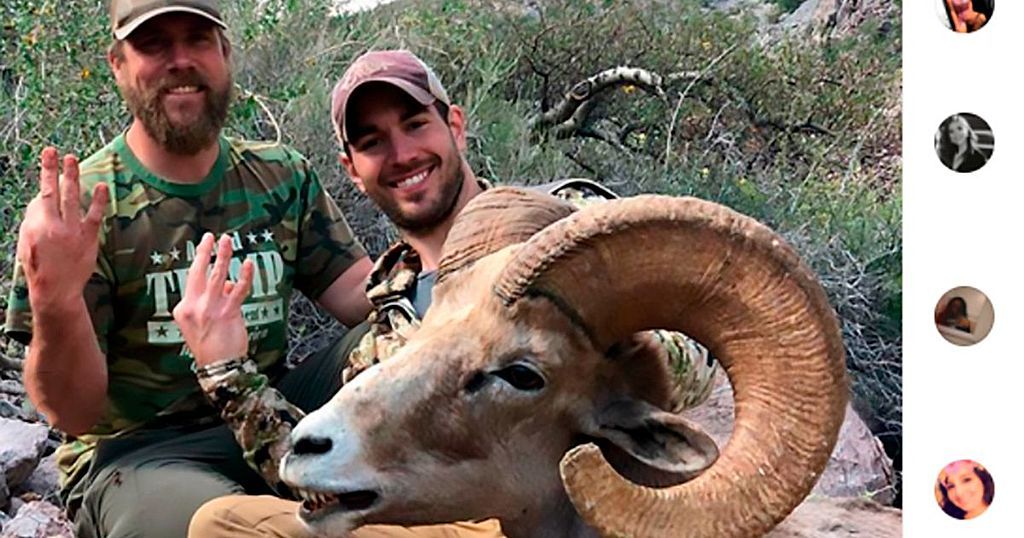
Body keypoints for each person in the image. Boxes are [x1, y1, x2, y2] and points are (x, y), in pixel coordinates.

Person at [182, 49, 719, 537]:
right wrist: (229, 374)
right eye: (371, 142)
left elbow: (697, 357)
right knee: (224, 524)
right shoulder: (388, 320)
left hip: (570, 507)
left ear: (455, 126)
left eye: (416, 124)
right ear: (351, 170)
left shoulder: (563, 231)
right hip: (450, 515)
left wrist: (576, 342)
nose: (402, 153)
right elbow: (327, 471)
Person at [3, 2, 375, 537]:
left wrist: (447, 252)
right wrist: (55, 300)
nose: (180, 60)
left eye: (197, 38)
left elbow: (362, 297)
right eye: (153, 44)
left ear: (224, 53)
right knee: (220, 527)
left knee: (413, 321)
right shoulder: (79, 211)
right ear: (117, 65)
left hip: (271, 408)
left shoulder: (281, 175)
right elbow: (72, 413)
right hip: (142, 453)